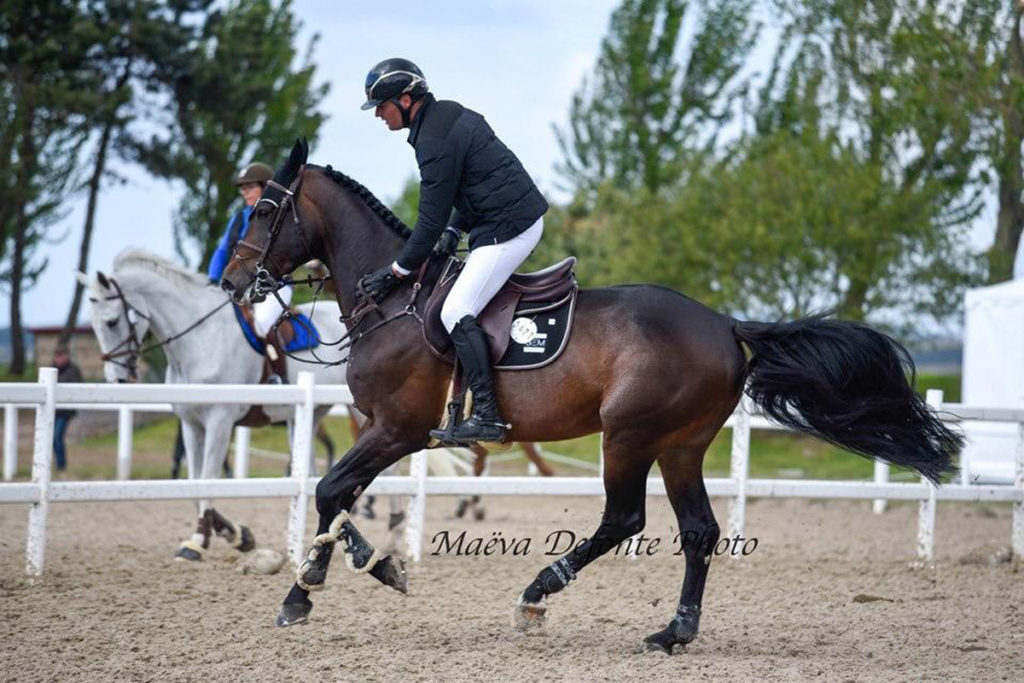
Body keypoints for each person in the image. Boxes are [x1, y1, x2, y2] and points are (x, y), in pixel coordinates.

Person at [357, 58, 548, 445]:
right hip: (499, 220)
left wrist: (396, 271)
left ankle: (488, 416)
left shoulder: (433, 140)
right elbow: (473, 185)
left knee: (455, 309)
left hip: (510, 228)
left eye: (382, 105)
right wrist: (453, 228)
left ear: (406, 100)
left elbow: (426, 223)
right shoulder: (444, 117)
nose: (378, 114)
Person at [208, 161, 292, 383]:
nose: (244, 192)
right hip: (242, 288)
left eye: (250, 186)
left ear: (265, 187)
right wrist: (212, 280)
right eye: (242, 188)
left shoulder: (278, 216)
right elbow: (222, 249)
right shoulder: (238, 218)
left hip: (274, 288)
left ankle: (278, 375)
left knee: (262, 323)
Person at [52, 345, 82, 472]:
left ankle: (61, 465)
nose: (59, 359)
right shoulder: (52, 369)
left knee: (57, 437)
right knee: (53, 438)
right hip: (52, 411)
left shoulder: (73, 370)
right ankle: (59, 464)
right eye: (57, 356)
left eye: (61, 355)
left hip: (64, 411)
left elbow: (77, 387)